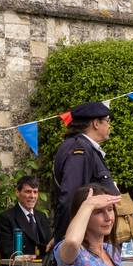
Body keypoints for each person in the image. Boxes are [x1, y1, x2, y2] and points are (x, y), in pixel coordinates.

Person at [52, 101, 118, 243]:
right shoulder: (79, 150)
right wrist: (65, 239)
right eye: (107, 121)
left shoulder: (86, 148)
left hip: (90, 238)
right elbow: (70, 197)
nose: (109, 125)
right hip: (83, 242)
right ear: (95, 123)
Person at [0, 174, 52, 261]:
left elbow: (49, 245)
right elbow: (7, 251)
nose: (32, 196)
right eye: (28, 192)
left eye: (35, 192)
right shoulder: (6, 218)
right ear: (17, 192)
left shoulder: (42, 216)